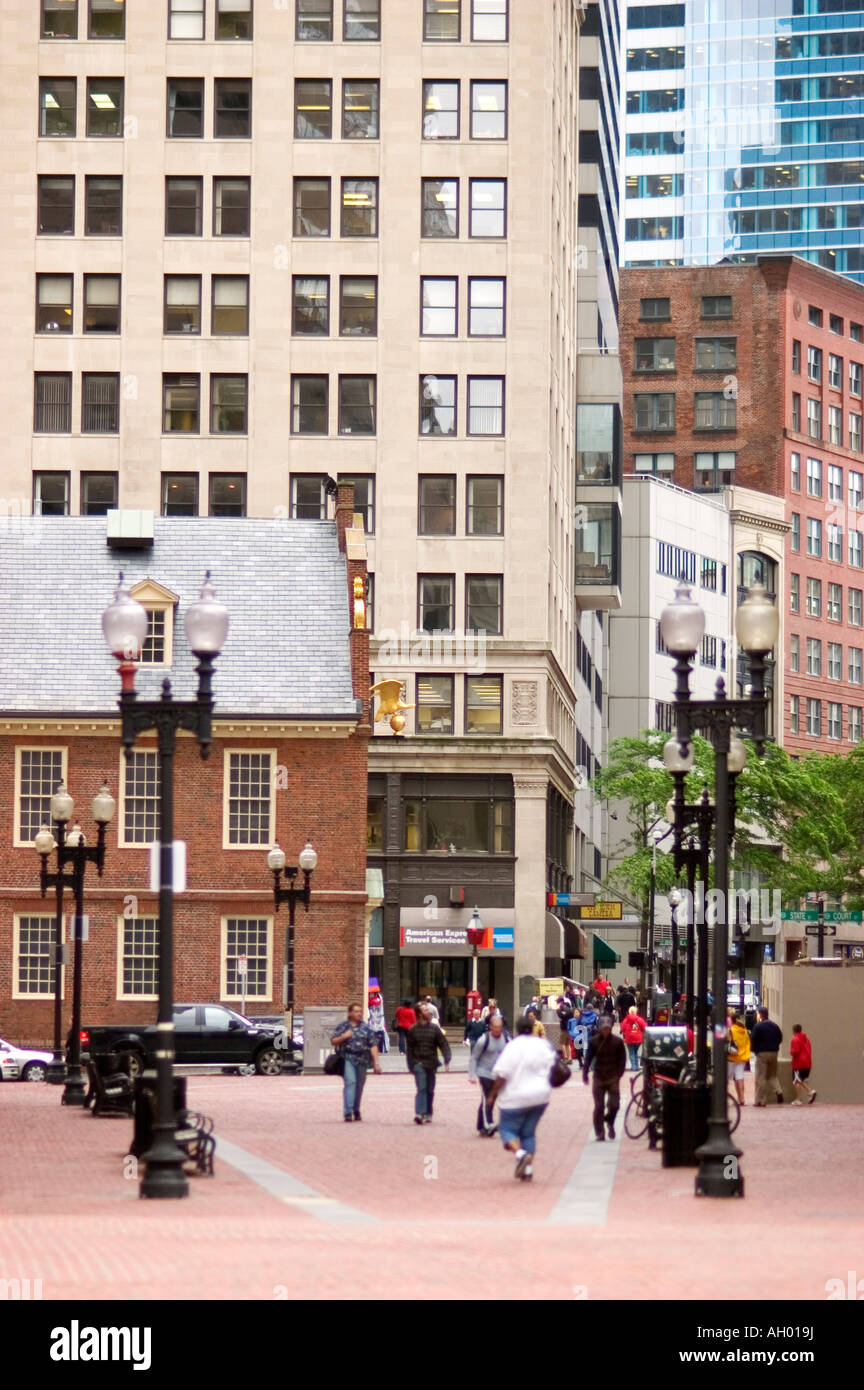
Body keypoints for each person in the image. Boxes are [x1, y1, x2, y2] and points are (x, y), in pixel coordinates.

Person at [485, 1015, 556, 1181]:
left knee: (506, 1129)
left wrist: (492, 1095)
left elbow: (502, 1074)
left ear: (517, 1029)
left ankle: (520, 1154)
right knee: (528, 1133)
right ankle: (528, 1169)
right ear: (532, 1028)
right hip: (540, 1096)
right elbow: (553, 1066)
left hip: (515, 1097)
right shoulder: (543, 1045)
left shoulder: (513, 1046)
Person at [330, 1003, 382, 1122]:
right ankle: (348, 1112)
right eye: (356, 1011)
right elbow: (333, 1041)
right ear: (350, 1013)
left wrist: (376, 1063)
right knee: (350, 1082)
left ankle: (356, 1109)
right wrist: (344, 1037)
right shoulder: (343, 1026)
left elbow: (373, 1045)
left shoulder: (366, 1028)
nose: (359, 1014)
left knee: (359, 1086)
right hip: (348, 1058)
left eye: (360, 1011)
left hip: (363, 1060)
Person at [583, 1015, 627, 1141]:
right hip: (599, 1077)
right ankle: (600, 1132)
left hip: (613, 1077)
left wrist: (619, 1074)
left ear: (611, 1028)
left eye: (608, 1028)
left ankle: (609, 1121)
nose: (606, 1030)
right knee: (599, 1106)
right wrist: (585, 1073)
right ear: (600, 1028)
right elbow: (588, 1058)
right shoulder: (594, 1041)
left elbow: (622, 1059)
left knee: (615, 1105)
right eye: (604, 1028)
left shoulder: (618, 1042)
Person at [406, 1003, 451, 1124]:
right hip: (418, 1063)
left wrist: (447, 1058)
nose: (429, 1012)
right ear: (419, 1014)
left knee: (430, 1090)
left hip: (431, 1063)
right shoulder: (412, 1030)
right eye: (425, 1010)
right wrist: (411, 1065)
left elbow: (443, 1043)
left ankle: (428, 1112)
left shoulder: (434, 1028)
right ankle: (420, 1113)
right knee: (422, 1088)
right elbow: (409, 1049)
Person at [468, 1014, 510, 1134]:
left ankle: (481, 1125)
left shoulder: (506, 1039)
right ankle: (488, 1124)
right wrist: (472, 1074)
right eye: (495, 1027)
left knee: (491, 1098)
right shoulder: (483, 1040)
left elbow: (512, 1054)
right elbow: (474, 1057)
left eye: (500, 1027)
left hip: (498, 1074)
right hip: (484, 1073)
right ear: (490, 1026)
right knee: (487, 1097)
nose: (498, 1029)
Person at [750, 1006, 784, 1107]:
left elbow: (753, 1039)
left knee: (761, 1077)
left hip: (762, 1054)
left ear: (760, 1015)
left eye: (758, 1014)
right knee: (772, 1075)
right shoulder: (775, 1026)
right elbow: (780, 1038)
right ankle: (779, 1091)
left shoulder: (758, 1026)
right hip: (774, 1053)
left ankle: (760, 1100)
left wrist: (754, 1050)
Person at [790, 1023, 817, 1105]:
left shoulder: (795, 1040)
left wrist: (791, 1052)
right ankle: (810, 1093)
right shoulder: (807, 1039)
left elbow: (795, 1052)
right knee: (803, 1079)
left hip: (798, 1063)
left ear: (794, 1031)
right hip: (807, 1062)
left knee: (797, 1080)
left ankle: (800, 1098)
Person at [727, 1012, 751, 1105]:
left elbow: (726, 1042)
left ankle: (724, 1098)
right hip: (742, 1057)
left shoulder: (731, 1030)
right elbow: (747, 1043)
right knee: (739, 1077)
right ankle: (741, 1098)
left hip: (732, 1057)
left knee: (726, 1079)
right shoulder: (744, 1030)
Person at [620, 1005, 647, 1072]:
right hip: (638, 1039)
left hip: (629, 1038)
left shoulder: (626, 1020)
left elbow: (622, 1029)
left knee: (632, 1053)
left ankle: (634, 1067)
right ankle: (636, 1066)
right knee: (635, 1052)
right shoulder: (640, 1019)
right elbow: (645, 1027)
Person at [556, 995, 575, 1060]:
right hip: (568, 1028)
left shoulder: (564, 1009)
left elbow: (562, 1016)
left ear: (560, 1002)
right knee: (567, 1044)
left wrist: (558, 1010)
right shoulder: (567, 1008)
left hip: (565, 1029)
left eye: (558, 1002)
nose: (557, 1004)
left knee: (563, 1043)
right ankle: (569, 1058)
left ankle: (566, 1057)